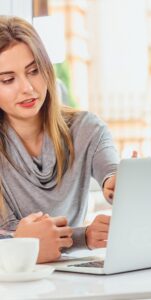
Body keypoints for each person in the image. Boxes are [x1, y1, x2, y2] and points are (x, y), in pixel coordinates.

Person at [0, 15, 119, 263]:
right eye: (8, 79)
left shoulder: (87, 129)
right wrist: (22, 248)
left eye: (34, 71)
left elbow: (112, 171)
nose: (28, 88)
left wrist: (119, 182)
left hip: (67, 286)